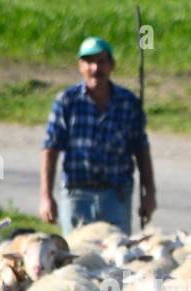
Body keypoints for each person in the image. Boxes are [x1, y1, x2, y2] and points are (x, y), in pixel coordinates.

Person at [39, 36, 156, 235]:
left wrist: (149, 194)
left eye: (101, 61)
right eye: (89, 62)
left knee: (118, 257)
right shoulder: (67, 101)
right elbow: (51, 148)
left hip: (117, 194)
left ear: (112, 65)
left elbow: (141, 149)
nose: (95, 68)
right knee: (76, 258)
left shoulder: (128, 102)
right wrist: (46, 197)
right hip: (77, 194)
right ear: (80, 66)